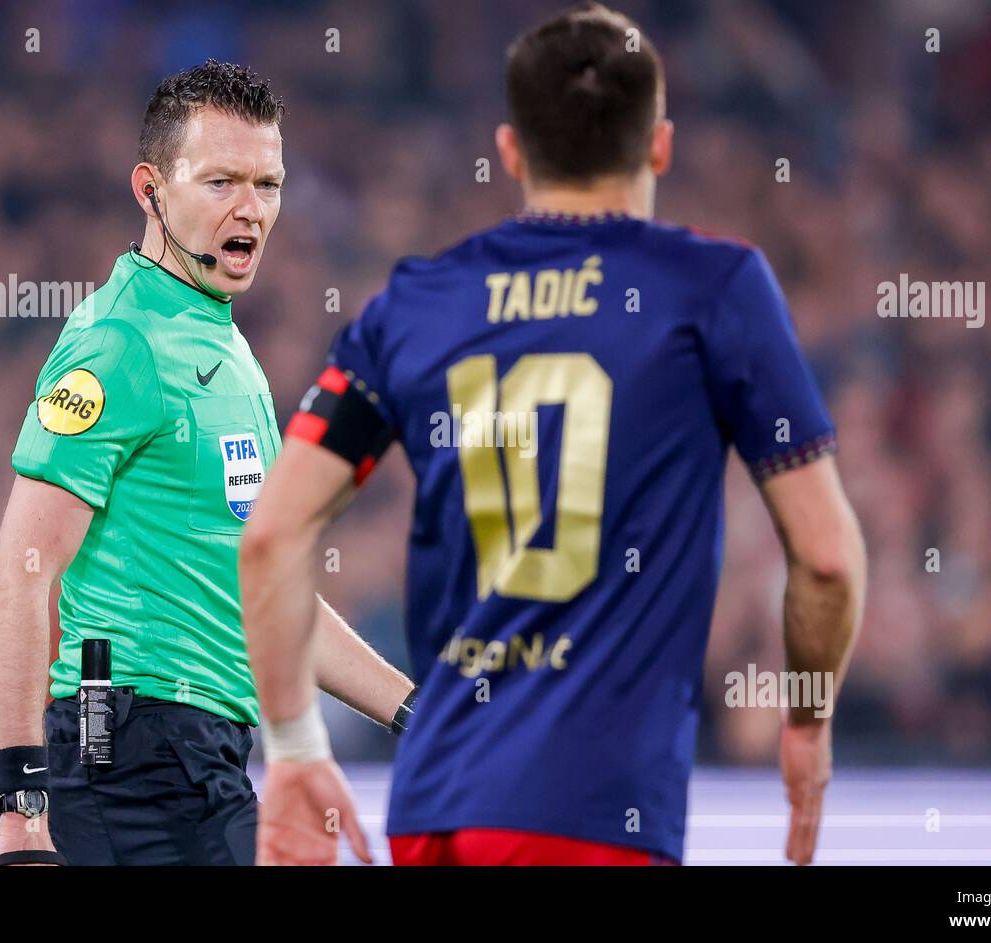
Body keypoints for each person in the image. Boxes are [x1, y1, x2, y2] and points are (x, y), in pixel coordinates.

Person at [239, 3, 866, 867]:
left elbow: (271, 534)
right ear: (659, 146)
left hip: (436, 811)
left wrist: (297, 750)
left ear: (509, 149)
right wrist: (806, 715)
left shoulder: (415, 302)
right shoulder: (715, 288)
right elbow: (827, 558)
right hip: (601, 816)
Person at [0, 60, 412, 866]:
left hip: (201, 764)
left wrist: (416, 712)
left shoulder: (222, 346)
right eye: (221, 182)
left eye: (268, 183)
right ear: (151, 190)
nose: (251, 208)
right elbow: (17, 574)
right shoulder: (121, 343)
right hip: (128, 761)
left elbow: (269, 596)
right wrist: (21, 809)